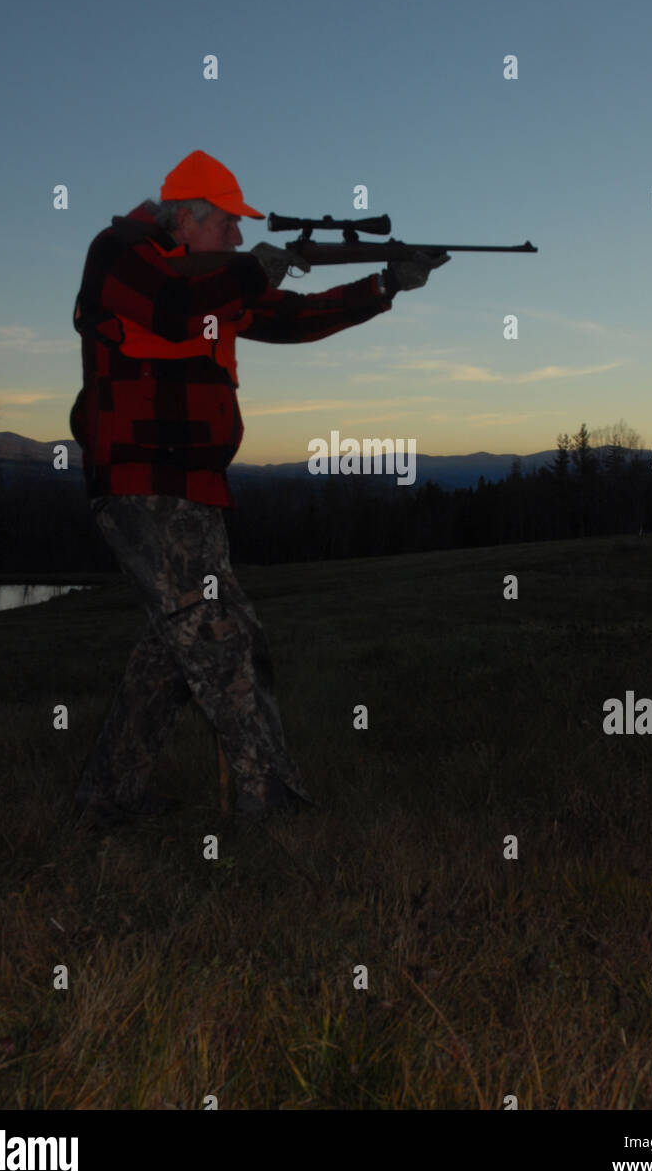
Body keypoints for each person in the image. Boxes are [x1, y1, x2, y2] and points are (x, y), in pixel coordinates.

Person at [69, 149, 449, 831]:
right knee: (223, 636)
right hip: (142, 478)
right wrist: (250, 270)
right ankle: (266, 800)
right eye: (228, 227)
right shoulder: (122, 251)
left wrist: (384, 284)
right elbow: (171, 307)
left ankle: (107, 798)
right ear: (187, 217)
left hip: (191, 485)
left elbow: (291, 317)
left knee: (172, 649)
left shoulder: (220, 279)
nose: (239, 239)